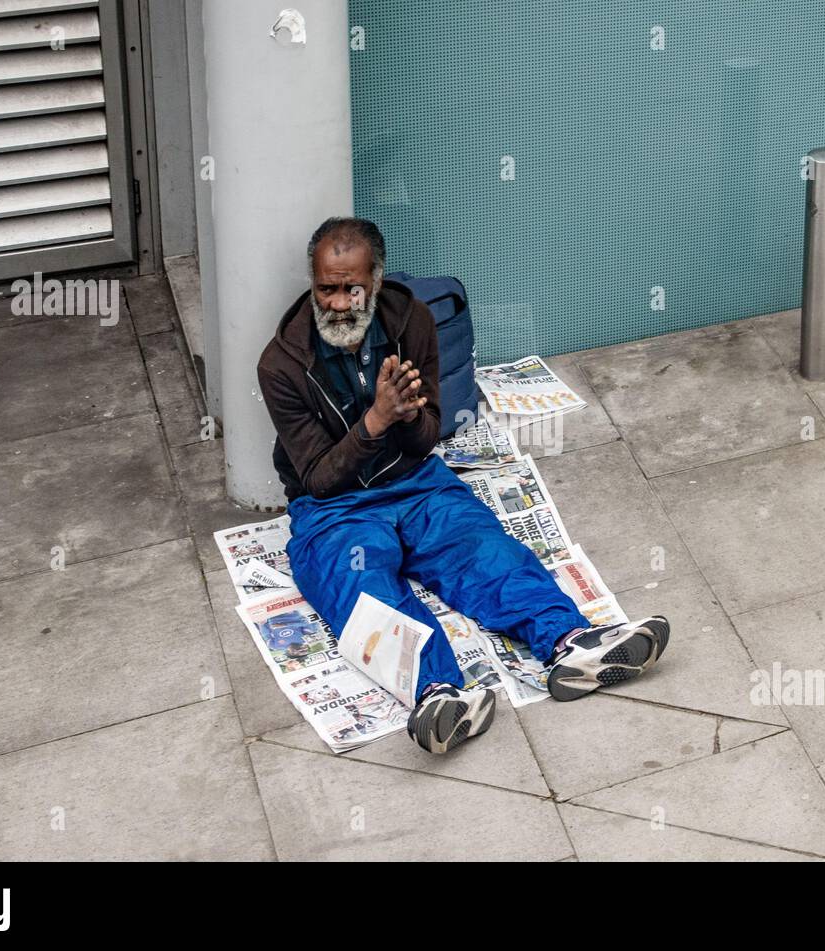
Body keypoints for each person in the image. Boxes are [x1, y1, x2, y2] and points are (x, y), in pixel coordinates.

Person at [256, 217, 670, 754]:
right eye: (325, 289)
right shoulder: (282, 364)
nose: (337, 303)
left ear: (376, 283)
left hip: (416, 484)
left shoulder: (412, 323)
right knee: (361, 590)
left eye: (351, 288)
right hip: (334, 509)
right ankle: (438, 696)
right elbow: (318, 477)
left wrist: (405, 416)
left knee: (483, 549)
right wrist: (376, 421)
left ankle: (571, 645)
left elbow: (427, 438)